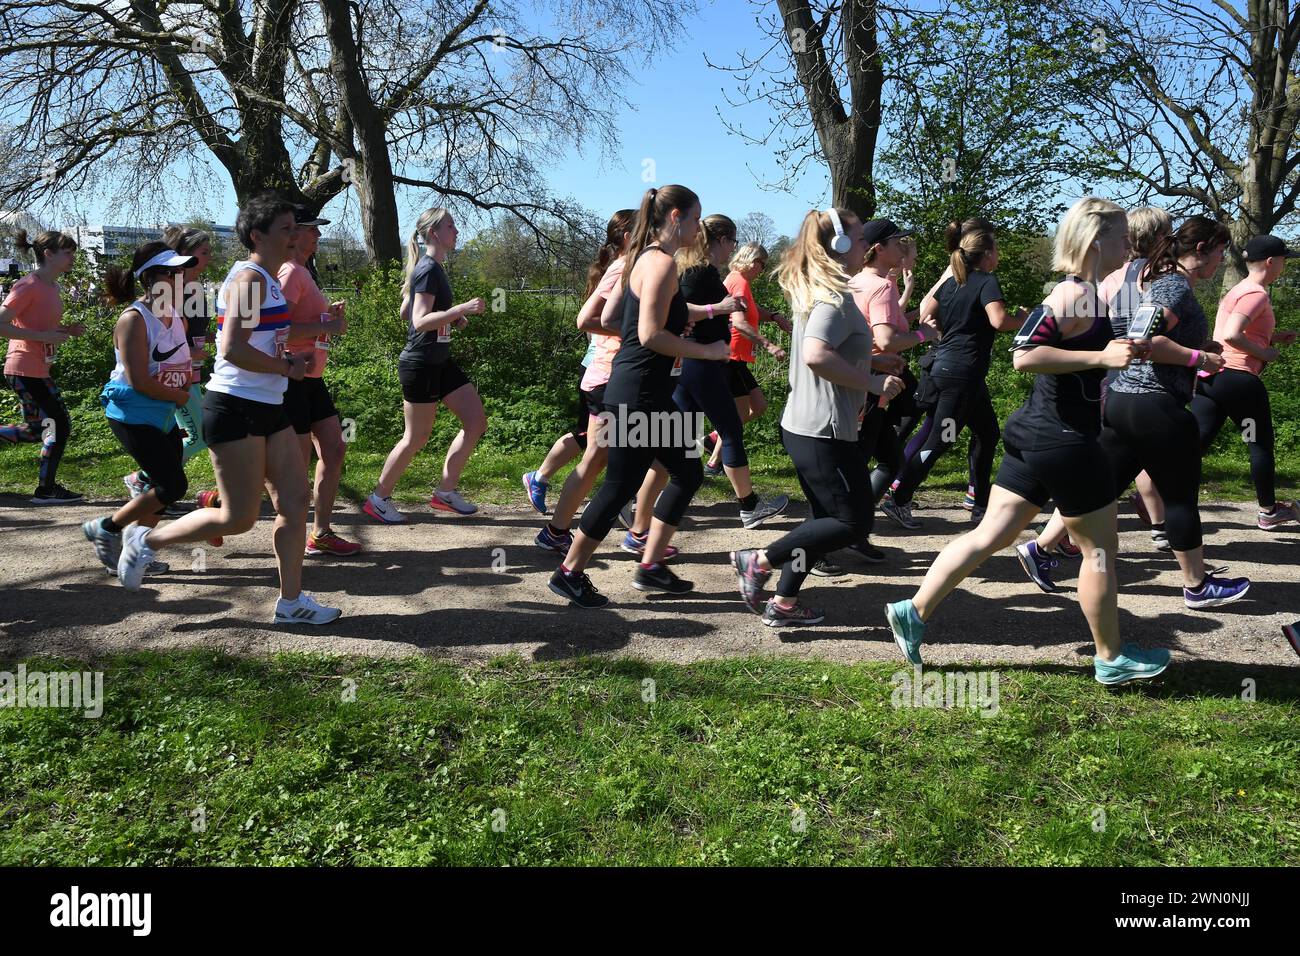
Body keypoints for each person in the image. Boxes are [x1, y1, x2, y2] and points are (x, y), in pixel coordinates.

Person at [885, 197, 1171, 685]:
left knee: (991, 535)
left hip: (1036, 435)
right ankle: (1111, 658)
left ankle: (913, 611)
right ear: (1094, 240)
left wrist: (1113, 351)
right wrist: (1102, 360)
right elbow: (1024, 355)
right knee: (1100, 549)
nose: (1130, 243)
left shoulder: (1088, 292)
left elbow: (1066, 350)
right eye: (1122, 236)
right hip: (1062, 440)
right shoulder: (1072, 294)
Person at [116, 191, 342, 625]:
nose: (296, 234)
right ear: (258, 235)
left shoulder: (270, 279)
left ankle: (291, 603)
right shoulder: (250, 280)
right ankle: (146, 542)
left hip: (270, 405)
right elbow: (233, 348)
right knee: (237, 518)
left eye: (296, 227)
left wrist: (302, 347)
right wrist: (286, 366)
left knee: (294, 504)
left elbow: (269, 334)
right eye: (286, 228)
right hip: (234, 407)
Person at [547, 184, 725, 607]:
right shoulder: (661, 263)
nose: (700, 227)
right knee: (619, 486)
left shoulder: (642, 260)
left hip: (644, 389)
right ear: (676, 217)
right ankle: (569, 572)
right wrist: (706, 350)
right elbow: (648, 334)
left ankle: (651, 566)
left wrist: (685, 320)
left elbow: (613, 318)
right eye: (697, 218)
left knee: (687, 471)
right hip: (640, 393)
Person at [729, 208, 904, 625]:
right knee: (853, 520)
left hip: (811, 425)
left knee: (825, 518)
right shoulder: (833, 297)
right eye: (861, 239)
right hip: (822, 430)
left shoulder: (815, 289)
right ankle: (758, 560)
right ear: (841, 245)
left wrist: (873, 367)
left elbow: (832, 352)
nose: (865, 246)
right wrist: (873, 383)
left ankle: (784, 603)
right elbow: (815, 355)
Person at [1099, 215, 1251, 609]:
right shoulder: (1174, 286)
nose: (1221, 260)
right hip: (1154, 405)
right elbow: (1144, 339)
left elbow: (1149, 334)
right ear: (1200, 250)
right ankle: (1197, 586)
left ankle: (1042, 550)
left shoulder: (1163, 282)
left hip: (1123, 399)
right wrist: (1200, 357)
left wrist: (1200, 345)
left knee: (1098, 490)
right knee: (1181, 497)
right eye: (1220, 252)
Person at [881, 218, 1024, 529]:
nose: (998, 255)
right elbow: (999, 321)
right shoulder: (987, 281)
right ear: (987, 254)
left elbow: (926, 311)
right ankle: (899, 497)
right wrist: (1024, 319)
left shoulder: (950, 282)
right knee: (940, 438)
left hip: (948, 368)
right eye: (996, 249)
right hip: (961, 374)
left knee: (987, 433)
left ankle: (979, 501)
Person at [83, 242, 198, 576]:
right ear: (150, 278)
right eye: (171, 271)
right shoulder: (133, 319)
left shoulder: (177, 317)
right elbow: (138, 381)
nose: (180, 277)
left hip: (162, 411)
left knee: (164, 487)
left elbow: (175, 362)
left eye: (181, 271)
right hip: (132, 412)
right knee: (172, 486)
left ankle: (136, 548)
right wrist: (179, 399)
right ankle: (107, 527)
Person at [364, 208, 487, 522]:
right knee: (416, 436)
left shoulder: (430, 267)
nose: (456, 230)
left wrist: (450, 317)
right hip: (420, 365)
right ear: (435, 233)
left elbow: (407, 311)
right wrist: (462, 308)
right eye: (451, 225)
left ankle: (445, 492)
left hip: (440, 362)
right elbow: (419, 321)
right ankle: (378, 499)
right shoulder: (429, 268)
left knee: (475, 422)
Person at [673, 213, 788, 528]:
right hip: (703, 362)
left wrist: (771, 316)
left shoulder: (701, 271)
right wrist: (720, 310)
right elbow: (680, 311)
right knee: (731, 430)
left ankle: (637, 502)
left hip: (698, 361)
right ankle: (749, 507)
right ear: (722, 241)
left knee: (678, 437)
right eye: (732, 241)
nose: (733, 248)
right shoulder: (702, 272)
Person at [523, 210, 635, 516]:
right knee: (594, 441)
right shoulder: (617, 270)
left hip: (606, 366)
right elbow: (588, 320)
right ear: (627, 237)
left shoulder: (621, 267)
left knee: (598, 441)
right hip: (600, 367)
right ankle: (544, 481)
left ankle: (618, 501)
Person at [1192, 234, 1299, 530]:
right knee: (1259, 444)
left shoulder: (1239, 289)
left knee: (1194, 444)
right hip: (1238, 380)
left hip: (1212, 379)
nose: (1284, 267)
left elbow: (1234, 331)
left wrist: (1272, 337)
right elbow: (1232, 334)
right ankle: (1268, 511)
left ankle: (1156, 495)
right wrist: (1265, 352)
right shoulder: (1256, 293)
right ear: (1270, 262)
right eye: (1283, 261)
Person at [278, 205, 360, 556]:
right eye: (312, 229)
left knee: (335, 448)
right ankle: (224, 504)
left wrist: (328, 317)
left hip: (313, 378)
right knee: (294, 468)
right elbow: (276, 328)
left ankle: (321, 532)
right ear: (293, 233)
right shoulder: (288, 273)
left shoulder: (304, 271)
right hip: (293, 376)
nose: (319, 235)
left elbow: (303, 321)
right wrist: (325, 326)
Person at [124, 226, 216, 518]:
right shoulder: (139, 315)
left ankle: (153, 494)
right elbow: (142, 371)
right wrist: (183, 373)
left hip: (181, 384)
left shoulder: (188, 296)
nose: (210, 258)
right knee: (198, 438)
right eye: (204, 252)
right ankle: (143, 482)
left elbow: (182, 339)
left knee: (175, 475)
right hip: (147, 399)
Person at [0, 228, 85, 503]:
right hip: (23, 367)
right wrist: (43, 337)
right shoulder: (28, 285)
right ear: (48, 254)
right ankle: (46, 490)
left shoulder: (51, 286)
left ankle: (46, 489)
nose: (73, 257)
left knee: (42, 428)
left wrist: (65, 330)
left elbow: (37, 325)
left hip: (38, 367)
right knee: (57, 424)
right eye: (68, 252)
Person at [701, 242, 793, 475]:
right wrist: (769, 345)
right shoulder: (739, 281)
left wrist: (773, 316)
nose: (762, 270)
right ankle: (714, 462)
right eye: (762, 265)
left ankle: (714, 437)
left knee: (759, 406)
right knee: (739, 414)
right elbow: (741, 323)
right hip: (731, 355)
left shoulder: (740, 281)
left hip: (739, 358)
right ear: (752, 261)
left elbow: (751, 310)